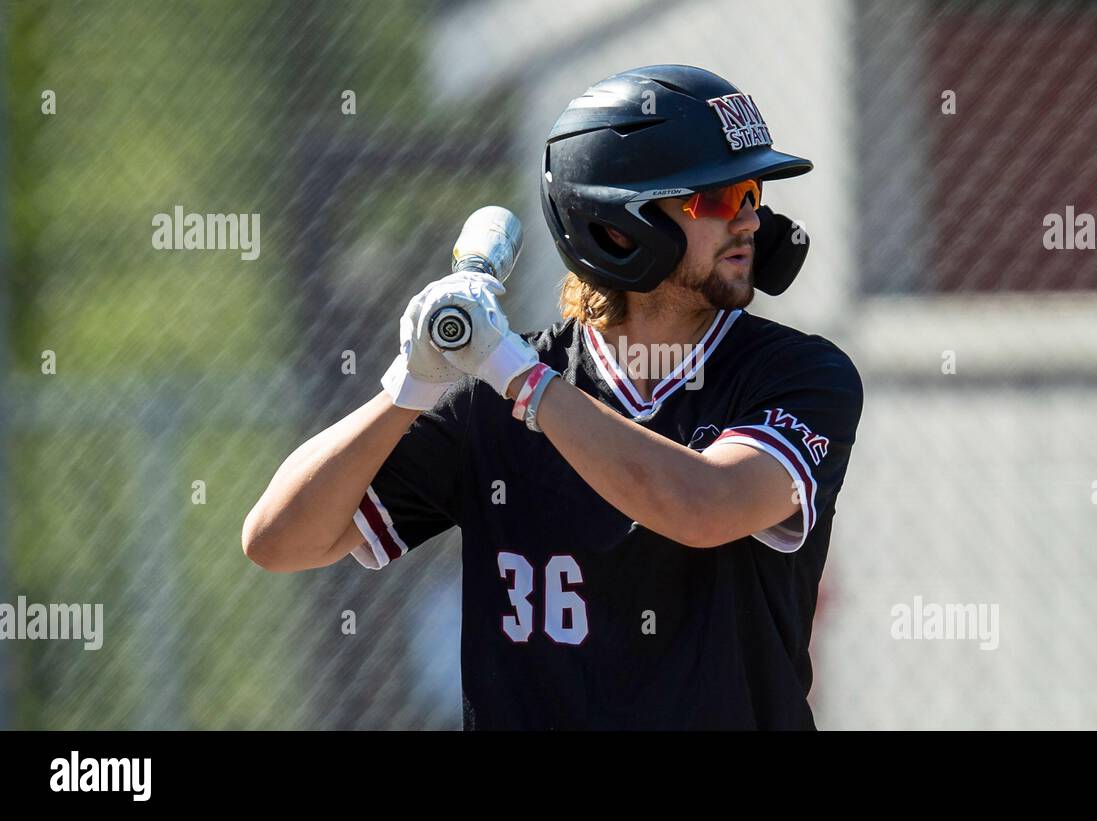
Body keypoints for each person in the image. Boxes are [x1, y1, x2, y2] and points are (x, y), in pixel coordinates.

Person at [242, 64, 864, 729]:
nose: (749, 220)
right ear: (618, 227)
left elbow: (703, 506)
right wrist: (407, 387)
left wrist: (518, 377)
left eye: (752, 193)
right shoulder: (493, 394)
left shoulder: (798, 374)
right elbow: (278, 540)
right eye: (716, 199)